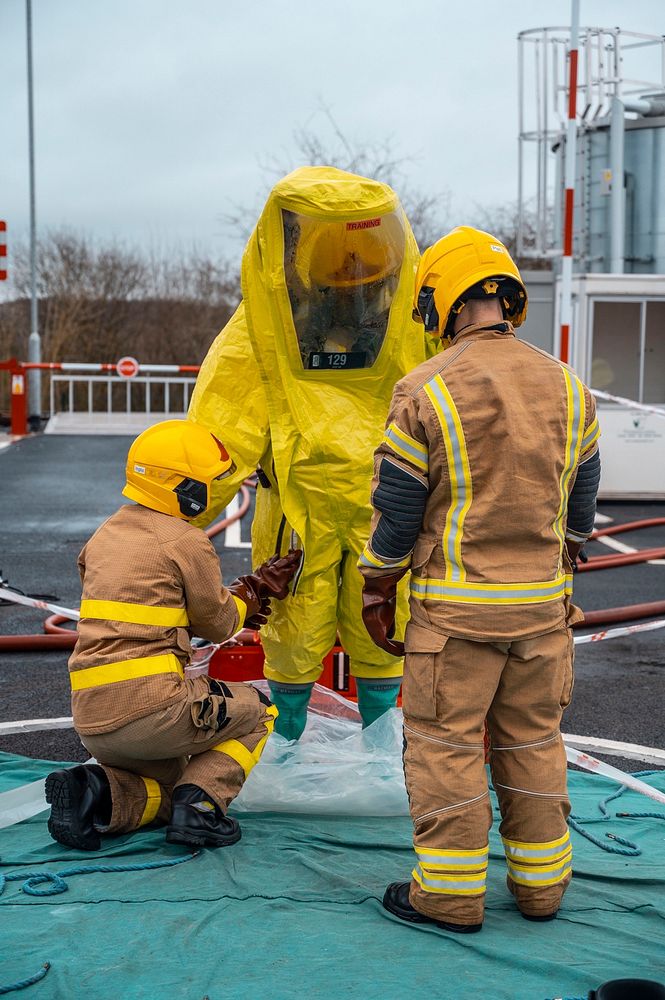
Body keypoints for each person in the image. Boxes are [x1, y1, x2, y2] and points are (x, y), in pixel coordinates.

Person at [359, 226, 601, 931]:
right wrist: (566, 548)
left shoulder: (425, 388)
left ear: (443, 301)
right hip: (542, 616)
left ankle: (449, 896)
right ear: (507, 298)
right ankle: (541, 892)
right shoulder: (564, 381)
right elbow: (582, 493)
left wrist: (377, 585)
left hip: (455, 620)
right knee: (532, 745)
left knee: (446, 750)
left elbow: (398, 509)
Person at [188, 166, 436, 739]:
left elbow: (217, 433)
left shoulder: (267, 327)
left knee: (332, 633)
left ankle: (298, 751)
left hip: (312, 514)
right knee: (350, 630)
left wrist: (180, 515)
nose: (352, 280)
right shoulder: (399, 325)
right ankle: (365, 754)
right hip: (379, 509)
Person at [45, 419, 301, 851]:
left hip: (92, 717)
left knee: (168, 789)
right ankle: (200, 811)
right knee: (258, 712)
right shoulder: (184, 539)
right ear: (184, 488)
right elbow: (218, 624)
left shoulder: (103, 535)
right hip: (153, 707)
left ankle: (93, 790)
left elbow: (145, 604)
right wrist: (252, 593)